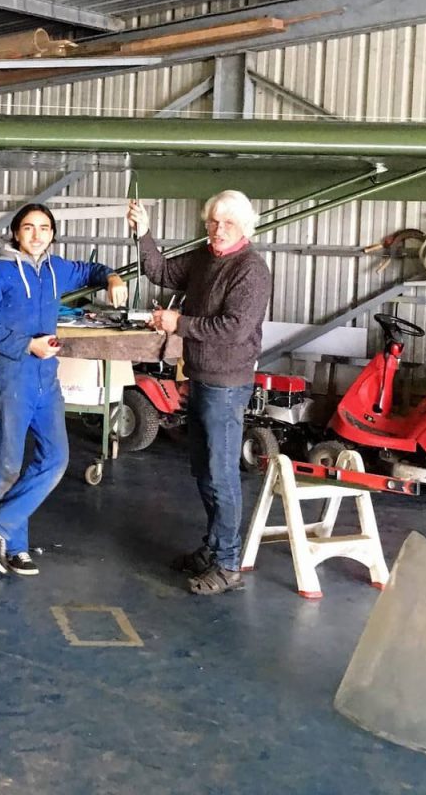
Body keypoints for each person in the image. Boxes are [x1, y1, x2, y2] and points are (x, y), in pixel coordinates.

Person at [0, 203, 128, 576]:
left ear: (53, 233)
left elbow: (92, 270)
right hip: (12, 374)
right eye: (28, 227)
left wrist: (114, 278)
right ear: (15, 233)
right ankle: (14, 548)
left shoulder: (57, 270)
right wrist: (27, 345)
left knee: (56, 458)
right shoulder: (0, 272)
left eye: (44, 228)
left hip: (46, 377)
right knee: (8, 463)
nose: (37, 235)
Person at [127, 191, 270, 595]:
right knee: (205, 471)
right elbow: (161, 273)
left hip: (226, 385)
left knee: (222, 474)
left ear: (245, 227)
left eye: (227, 223)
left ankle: (227, 564)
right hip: (202, 378)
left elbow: (233, 329)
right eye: (213, 221)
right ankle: (213, 548)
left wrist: (179, 323)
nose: (218, 229)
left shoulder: (251, 270)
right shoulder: (207, 258)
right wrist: (144, 232)